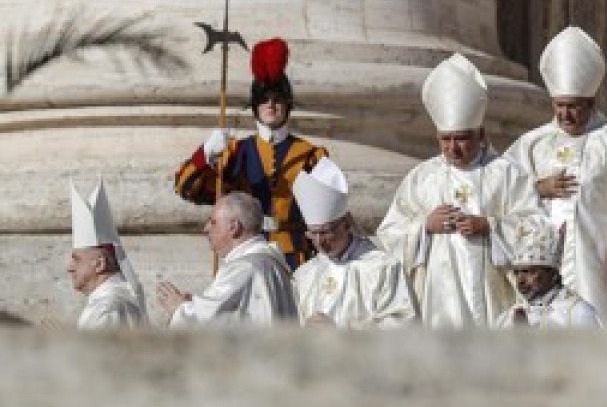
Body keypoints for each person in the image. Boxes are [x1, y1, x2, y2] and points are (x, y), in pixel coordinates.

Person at [504, 26, 607, 323]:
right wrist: (536, 189)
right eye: (560, 106)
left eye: (574, 107)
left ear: (590, 102)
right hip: (539, 274)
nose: (566, 114)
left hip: (599, 268)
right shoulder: (532, 144)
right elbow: (503, 196)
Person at [375, 53, 545, 328]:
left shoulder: (507, 173)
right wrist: (424, 228)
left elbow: (538, 227)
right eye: (446, 139)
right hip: (437, 302)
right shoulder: (422, 178)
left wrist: (490, 226)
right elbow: (388, 237)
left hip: (494, 300)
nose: (453, 148)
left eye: (462, 138)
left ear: (480, 134)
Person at [174, 38, 330, 268]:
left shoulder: (310, 155)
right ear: (255, 106)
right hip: (247, 255)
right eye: (263, 99)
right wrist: (206, 154)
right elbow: (186, 187)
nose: (271, 105)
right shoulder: (237, 152)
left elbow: (328, 210)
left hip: (297, 258)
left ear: (287, 105)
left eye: (277, 99)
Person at [292, 158, 417, 328]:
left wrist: (342, 333)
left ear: (346, 224)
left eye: (326, 231)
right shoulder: (305, 275)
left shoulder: (383, 267)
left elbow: (402, 324)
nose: (320, 242)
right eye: (313, 233)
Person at [156, 192, 299, 326]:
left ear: (234, 227)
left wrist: (180, 309)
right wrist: (196, 303)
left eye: (213, 222)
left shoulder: (244, 268)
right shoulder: (271, 263)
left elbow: (208, 320)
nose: (206, 228)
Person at [69, 178, 146, 329]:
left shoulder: (109, 308)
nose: (69, 268)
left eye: (76, 260)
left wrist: (63, 342)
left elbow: (100, 353)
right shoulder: (107, 302)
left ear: (99, 264)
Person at [496, 222, 600, 328]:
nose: (520, 280)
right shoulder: (506, 319)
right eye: (516, 272)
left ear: (553, 274)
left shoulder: (579, 314)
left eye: (528, 271)